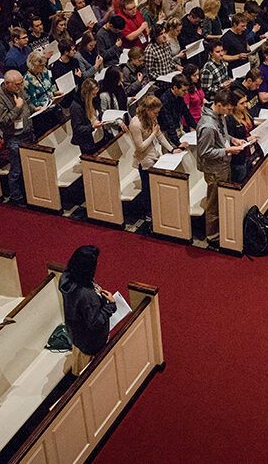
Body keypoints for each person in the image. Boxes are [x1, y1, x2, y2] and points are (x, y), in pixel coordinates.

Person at [196, 89, 245, 245]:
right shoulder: (208, 126)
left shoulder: (219, 115)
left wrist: (233, 139)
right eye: (229, 109)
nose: (230, 112)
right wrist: (227, 150)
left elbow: (222, 136)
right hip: (215, 170)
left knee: (221, 199)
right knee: (214, 204)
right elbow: (205, 152)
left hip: (224, 164)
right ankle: (213, 236)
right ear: (218, 104)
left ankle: (221, 229)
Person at [59, 245, 116, 377]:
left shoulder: (67, 278)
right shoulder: (87, 295)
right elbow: (95, 322)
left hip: (77, 334)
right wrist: (111, 306)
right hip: (91, 343)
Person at [130, 94, 184, 221]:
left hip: (154, 156)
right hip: (143, 161)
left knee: (155, 186)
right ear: (148, 111)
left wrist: (172, 149)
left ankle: (157, 208)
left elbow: (159, 134)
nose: (157, 115)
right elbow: (140, 147)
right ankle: (148, 213)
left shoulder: (151, 118)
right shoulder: (135, 123)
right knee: (147, 189)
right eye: (155, 113)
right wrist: (153, 134)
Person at [0, 70, 34, 204]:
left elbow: (27, 102)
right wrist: (17, 107)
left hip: (28, 132)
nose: (20, 87)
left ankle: (29, 193)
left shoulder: (19, 90)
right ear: (7, 84)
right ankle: (16, 197)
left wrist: (35, 108)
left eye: (21, 84)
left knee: (28, 167)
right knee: (16, 170)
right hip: (14, 137)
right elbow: (4, 120)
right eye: (17, 84)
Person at [226, 87, 257, 183]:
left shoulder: (245, 113)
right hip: (239, 160)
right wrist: (247, 139)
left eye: (245, 102)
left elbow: (251, 124)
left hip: (251, 154)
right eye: (242, 103)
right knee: (241, 183)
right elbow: (230, 141)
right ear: (234, 105)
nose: (245, 105)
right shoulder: (230, 119)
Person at [157, 74, 196, 148]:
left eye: (187, 90)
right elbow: (169, 123)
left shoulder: (179, 96)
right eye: (184, 90)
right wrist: (177, 143)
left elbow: (187, 113)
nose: (186, 92)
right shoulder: (164, 100)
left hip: (177, 127)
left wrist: (194, 127)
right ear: (175, 88)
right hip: (167, 133)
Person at [69, 78, 104, 155]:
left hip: (99, 135)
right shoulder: (76, 106)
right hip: (87, 141)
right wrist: (92, 127)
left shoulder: (94, 99)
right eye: (93, 94)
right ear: (86, 93)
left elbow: (98, 110)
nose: (95, 96)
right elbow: (77, 128)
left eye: (96, 93)